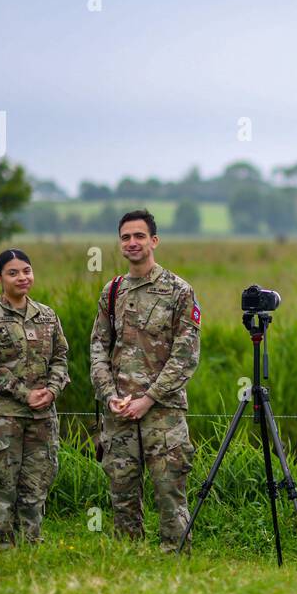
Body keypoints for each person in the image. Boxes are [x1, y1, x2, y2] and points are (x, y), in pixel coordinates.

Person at [89, 210, 201, 551]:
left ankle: (176, 558)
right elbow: (97, 347)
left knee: (170, 493)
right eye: (126, 237)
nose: (132, 243)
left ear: (154, 241)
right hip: (119, 413)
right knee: (121, 494)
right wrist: (109, 395)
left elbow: (186, 355)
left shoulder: (178, 291)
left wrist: (148, 399)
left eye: (139, 236)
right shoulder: (113, 291)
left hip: (162, 412)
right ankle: (129, 558)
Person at [0, 248, 70, 549]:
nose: (22, 277)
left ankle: (30, 550)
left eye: (26, 270)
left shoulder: (47, 316)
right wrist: (25, 394)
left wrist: (52, 390)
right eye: (13, 273)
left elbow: (62, 358)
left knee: (36, 488)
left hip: (41, 418)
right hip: (0, 417)